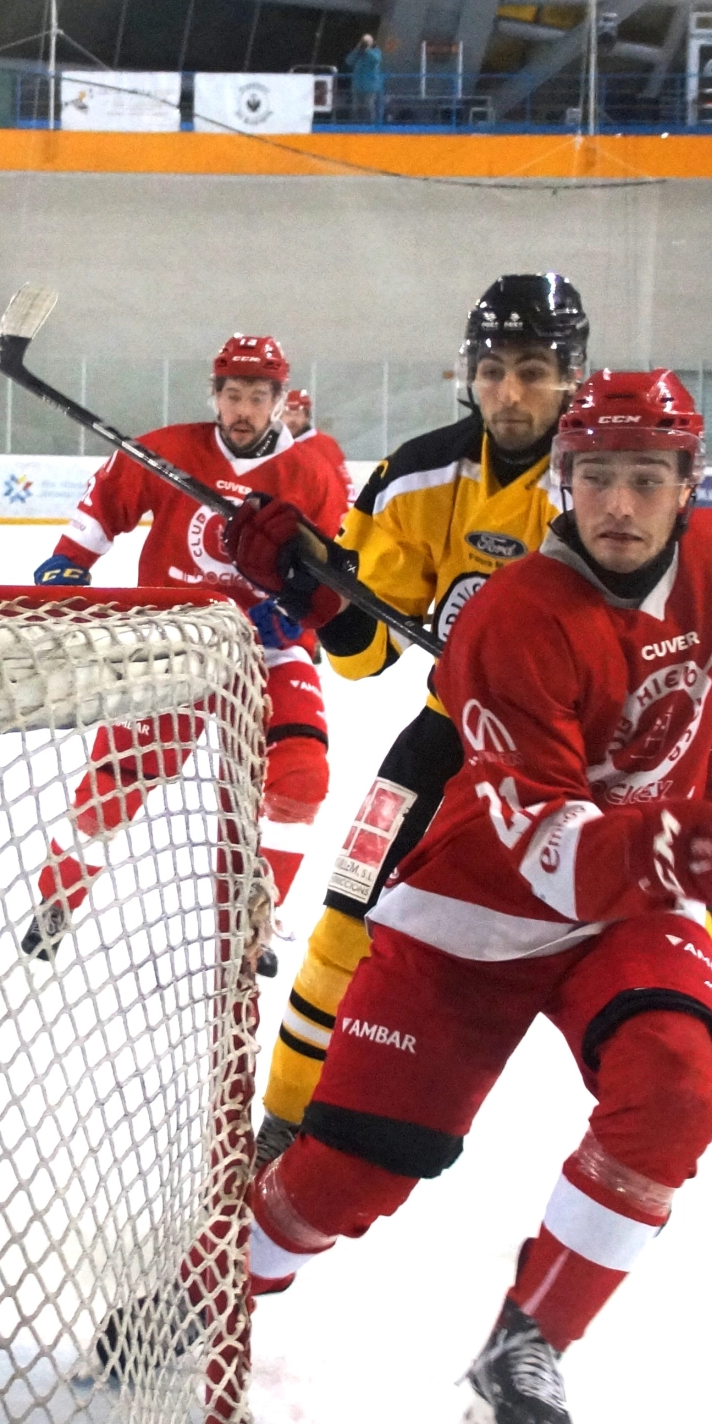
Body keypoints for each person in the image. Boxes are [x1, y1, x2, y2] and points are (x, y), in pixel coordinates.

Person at [232, 371, 712, 1424]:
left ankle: (531, 1337)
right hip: (481, 911)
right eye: (600, 478)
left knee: (676, 1084)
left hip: (634, 904)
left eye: (648, 480)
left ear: (690, 483)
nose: (622, 504)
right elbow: (554, 856)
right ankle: (212, 1289)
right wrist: (705, 845)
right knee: (346, 1178)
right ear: (567, 483)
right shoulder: (514, 619)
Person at [251, 274, 585, 1170]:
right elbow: (367, 653)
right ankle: (285, 1122)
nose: (509, 392)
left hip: (575, 759)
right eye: (492, 370)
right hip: (445, 738)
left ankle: (621, 1161)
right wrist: (317, 590)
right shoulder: (420, 473)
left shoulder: (605, 483)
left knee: (587, 964)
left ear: (571, 375)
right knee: (342, 928)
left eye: (533, 370)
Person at [20, 333, 350, 959]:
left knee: (302, 777)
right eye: (233, 395)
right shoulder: (170, 450)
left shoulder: (310, 474)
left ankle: (260, 916)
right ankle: (57, 899)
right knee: (113, 788)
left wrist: (297, 609)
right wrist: (69, 559)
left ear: (280, 401)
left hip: (268, 650)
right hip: (175, 641)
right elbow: (106, 503)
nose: (243, 410)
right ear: (214, 395)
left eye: (258, 397)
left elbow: (333, 568)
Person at [346, 34, 386, 125]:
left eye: (366, 42)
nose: (364, 44)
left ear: (371, 42)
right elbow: (349, 61)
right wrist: (356, 50)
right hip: (357, 85)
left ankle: (371, 125)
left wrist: (367, 50)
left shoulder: (376, 51)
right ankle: (355, 125)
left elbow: (376, 60)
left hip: (370, 85)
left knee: (369, 106)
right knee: (355, 107)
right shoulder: (357, 53)